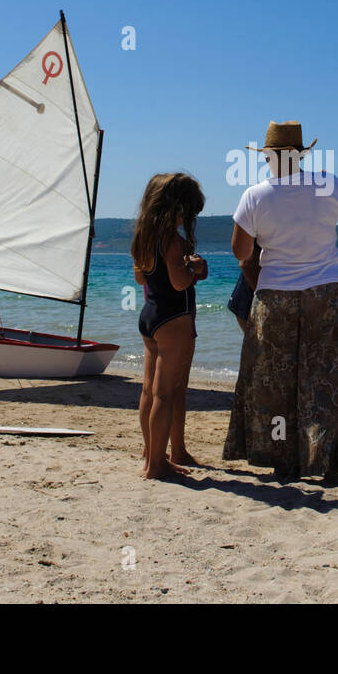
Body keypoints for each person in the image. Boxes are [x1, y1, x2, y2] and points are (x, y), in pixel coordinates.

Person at [222, 120, 338, 482]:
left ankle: (282, 459)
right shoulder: (327, 183)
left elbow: (241, 251)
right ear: (302, 154)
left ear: (269, 156)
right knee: (323, 379)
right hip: (324, 291)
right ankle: (322, 458)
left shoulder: (255, 195)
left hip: (275, 296)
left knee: (274, 382)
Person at [131, 173, 208, 480]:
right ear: (178, 209)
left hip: (150, 316)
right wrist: (195, 269)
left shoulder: (144, 238)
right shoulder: (175, 243)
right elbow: (179, 283)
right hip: (174, 319)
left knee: (149, 391)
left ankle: (152, 454)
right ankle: (156, 466)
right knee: (166, 394)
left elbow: (140, 279)